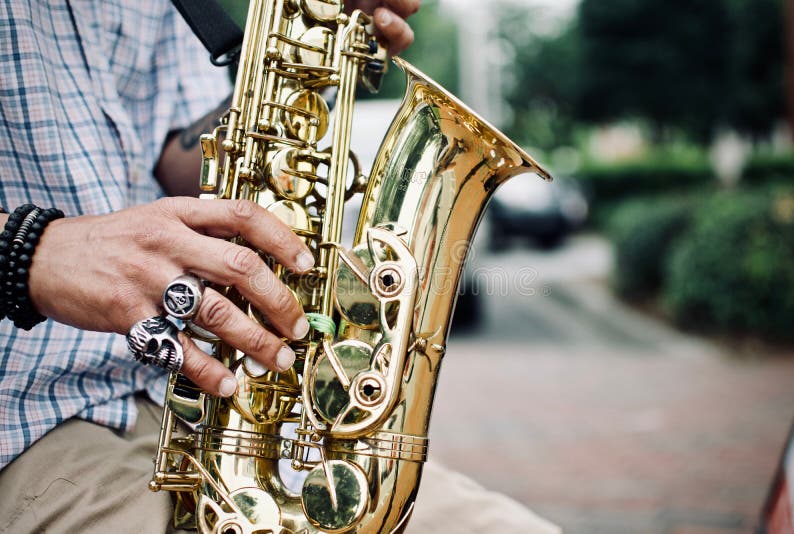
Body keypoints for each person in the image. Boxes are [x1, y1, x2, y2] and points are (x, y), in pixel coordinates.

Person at [0, 1, 560, 532]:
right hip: (27, 425)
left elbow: (181, 162)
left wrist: (318, 60)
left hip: (184, 397)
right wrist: (30, 252)